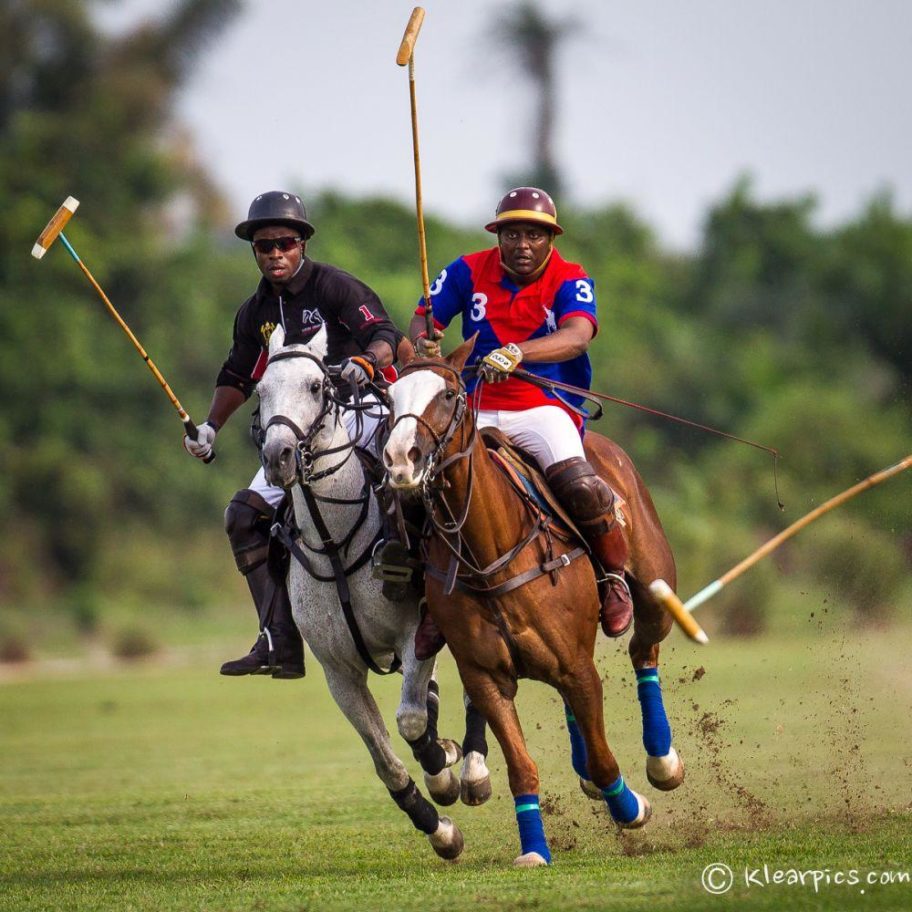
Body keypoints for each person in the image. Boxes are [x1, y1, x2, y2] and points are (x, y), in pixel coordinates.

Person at [184, 191, 402, 679]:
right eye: (264, 246)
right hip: (296, 425)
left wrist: (367, 363)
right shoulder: (254, 311)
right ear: (255, 252)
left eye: (284, 242)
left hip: (357, 409)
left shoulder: (335, 287)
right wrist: (210, 427)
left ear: (301, 243)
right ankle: (278, 640)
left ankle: (419, 607)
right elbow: (238, 375)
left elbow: (386, 336)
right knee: (243, 516)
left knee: (401, 493)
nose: (275, 253)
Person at [409, 187, 633, 658]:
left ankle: (613, 577)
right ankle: (432, 598)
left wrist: (518, 351)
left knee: (583, 486)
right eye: (513, 233)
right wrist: (427, 340)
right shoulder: (469, 269)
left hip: (542, 405)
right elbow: (425, 319)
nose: (523, 244)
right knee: (417, 485)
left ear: (550, 238)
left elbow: (577, 336)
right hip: (474, 403)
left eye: (534, 234)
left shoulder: (570, 278)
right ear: (499, 236)